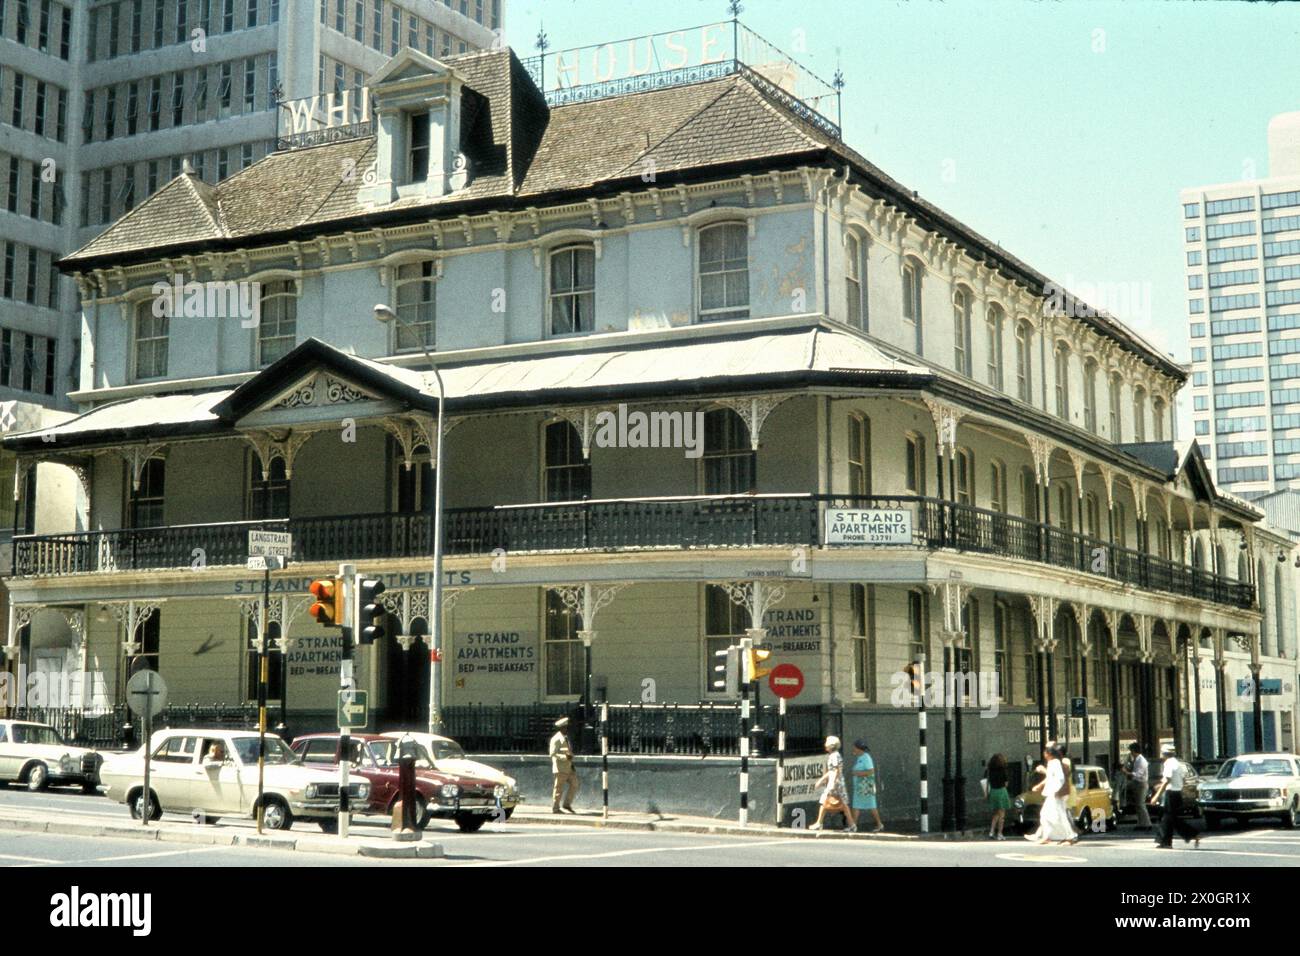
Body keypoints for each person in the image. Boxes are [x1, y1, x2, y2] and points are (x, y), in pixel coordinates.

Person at [1026, 742, 1077, 845]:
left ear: (1049, 753)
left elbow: (1060, 778)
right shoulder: (1053, 763)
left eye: (1045, 751)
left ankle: (1070, 837)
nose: (1044, 753)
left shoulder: (1056, 763)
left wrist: (1055, 790)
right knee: (1046, 814)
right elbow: (1051, 778)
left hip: (1056, 793)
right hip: (1054, 793)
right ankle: (1046, 836)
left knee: (1059, 815)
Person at [1150, 744, 1199, 849]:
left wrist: (1156, 796)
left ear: (1164, 753)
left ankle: (1169, 841)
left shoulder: (1168, 763)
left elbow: (1167, 780)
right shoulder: (1177, 763)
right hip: (1177, 793)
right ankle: (1167, 841)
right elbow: (1182, 779)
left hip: (1171, 794)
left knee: (1168, 818)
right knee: (1168, 818)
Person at [811, 736, 856, 832]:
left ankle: (819, 823)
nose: (825, 745)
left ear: (831, 745)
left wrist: (832, 784)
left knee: (824, 800)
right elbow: (831, 771)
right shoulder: (834, 755)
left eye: (826, 743)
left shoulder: (834, 756)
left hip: (835, 783)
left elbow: (835, 770)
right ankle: (852, 825)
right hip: (838, 782)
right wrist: (821, 780)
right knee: (843, 803)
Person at [849, 739, 884, 832]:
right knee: (865, 804)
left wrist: (857, 773)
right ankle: (878, 824)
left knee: (860, 805)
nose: (853, 749)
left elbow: (871, 771)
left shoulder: (866, 757)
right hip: (860, 786)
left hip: (865, 786)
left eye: (855, 747)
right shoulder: (860, 758)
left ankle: (853, 825)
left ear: (859, 749)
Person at [549, 717, 579, 814]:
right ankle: (555, 808)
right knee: (558, 789)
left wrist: (571, 761)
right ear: (561, 728)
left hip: (569, 767)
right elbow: (552, 753)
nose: (567, 729)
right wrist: (565, 757)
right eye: (565, 727)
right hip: (560, 767)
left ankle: (566, 804)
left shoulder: (566, 738)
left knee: (575, 784)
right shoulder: (556, 739)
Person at [986, 753, 1011, 840]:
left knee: (995, 813)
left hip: (993, 791)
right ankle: (1000, 833)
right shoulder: (1003, 770)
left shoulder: (990, 771)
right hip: (1001, 791)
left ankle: (991, 831)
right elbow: (1006, 783)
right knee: (1002, 815)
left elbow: (988, 782)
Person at [1126, 742, 1151, 830]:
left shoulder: (1141, 761)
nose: (1130, 753)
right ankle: (1141, 823)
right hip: (1137, 783)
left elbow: (1138, 774)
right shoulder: (1136, 760)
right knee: (1137, 805)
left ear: (1134, 750)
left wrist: (1127, 772)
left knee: (1141, 804)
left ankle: (1147, 824)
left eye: (1131, 751)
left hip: (1141, 784)